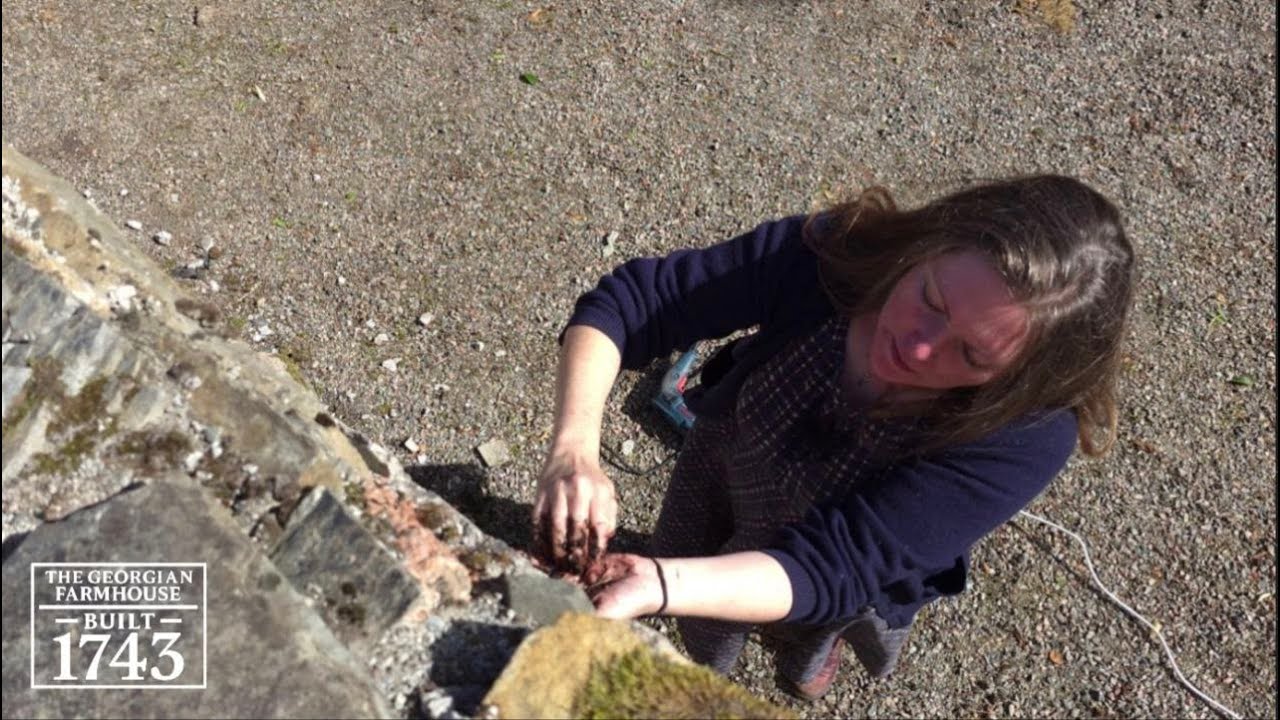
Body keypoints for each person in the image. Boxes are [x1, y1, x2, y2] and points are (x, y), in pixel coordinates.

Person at [531, 174, 1135, 700]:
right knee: (697, 599)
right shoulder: (835, 256)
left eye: (972, 356)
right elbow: (634, 304)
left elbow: (835, 564)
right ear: (927, 243)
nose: (918, 345)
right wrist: (574, 450)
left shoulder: (1027, 432)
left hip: (837, 565)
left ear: (1017, 381)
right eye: (930, 297)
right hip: (722, 471)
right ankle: (710, 651)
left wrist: (663, 584)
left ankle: (808, 664)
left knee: (811, 628)